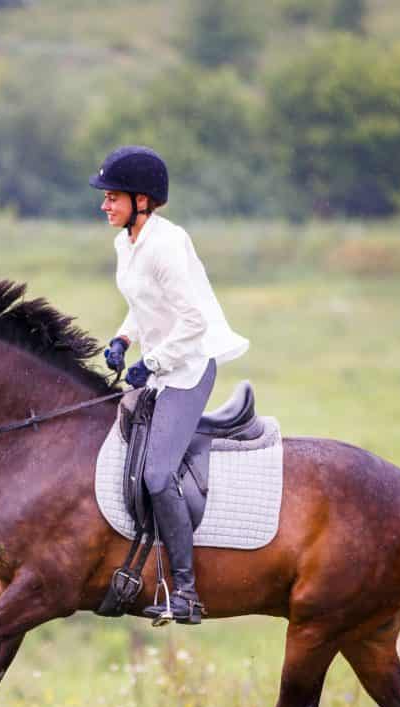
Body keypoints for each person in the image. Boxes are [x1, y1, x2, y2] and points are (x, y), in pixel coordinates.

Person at [92, 145, 250, 625]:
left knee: (157, 475)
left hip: (188, 368)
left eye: (113, 197)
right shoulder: (127, 242)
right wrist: (123, 338)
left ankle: (186, 592)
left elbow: (192, 321)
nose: (105, 205)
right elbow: (144, 304)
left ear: (142, 200)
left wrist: (152, 361)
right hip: (162, 365)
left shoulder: (167, 244)